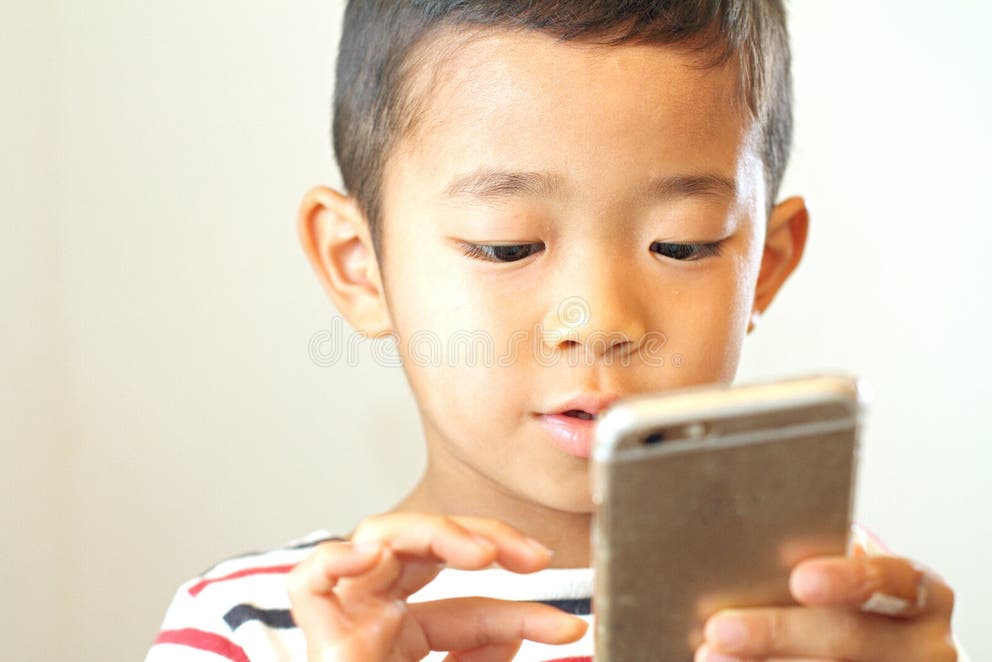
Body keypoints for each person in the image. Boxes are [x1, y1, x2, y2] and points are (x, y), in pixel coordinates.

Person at [147, 1, 964, 660]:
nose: (598, 319)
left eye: (681, 245)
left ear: (768, 265)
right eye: (507, 246)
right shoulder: (257, 629)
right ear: (360, 267)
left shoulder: (824, 612)